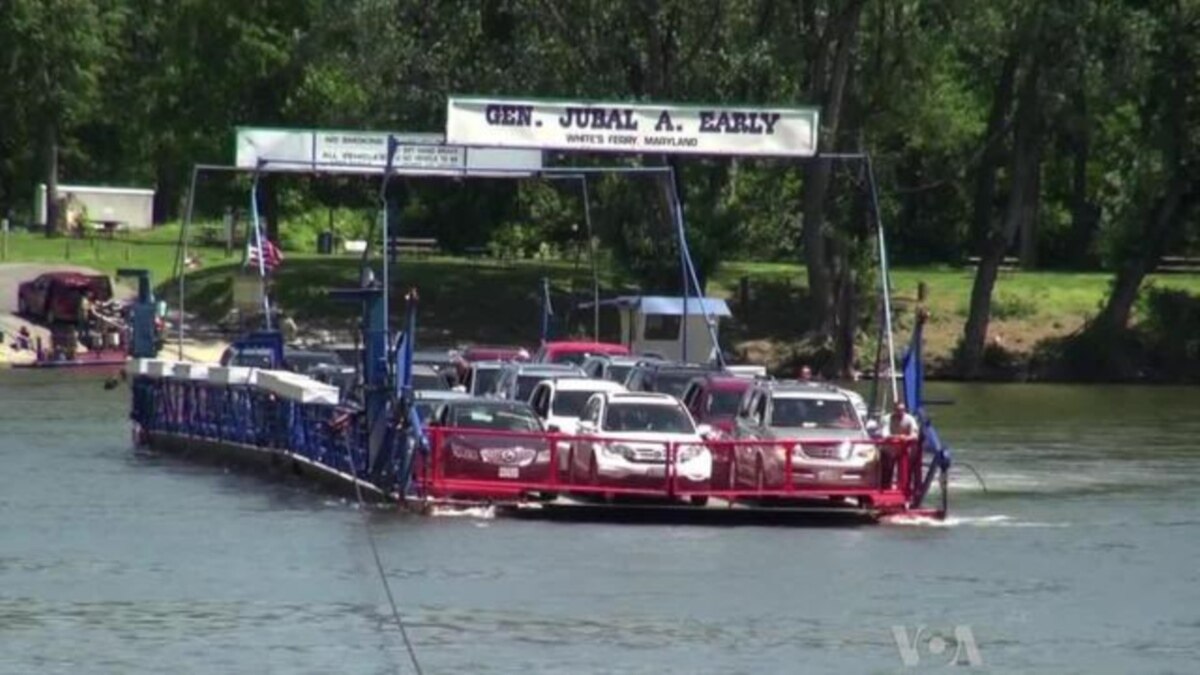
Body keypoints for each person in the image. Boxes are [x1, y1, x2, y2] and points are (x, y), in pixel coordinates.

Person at [880, 402, 920, 489]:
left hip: (904, 450)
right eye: (898, 410)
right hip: (889, 450)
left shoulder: (910, 419)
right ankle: (886, 490)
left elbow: (915, 435)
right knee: (887, 471)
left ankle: (905, 489)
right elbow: (885, 435)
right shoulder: (887, 418)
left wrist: (906, 438)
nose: (900, 412)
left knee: (906, 472)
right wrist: (899, 437)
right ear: (894, 410)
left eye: (902, 410)